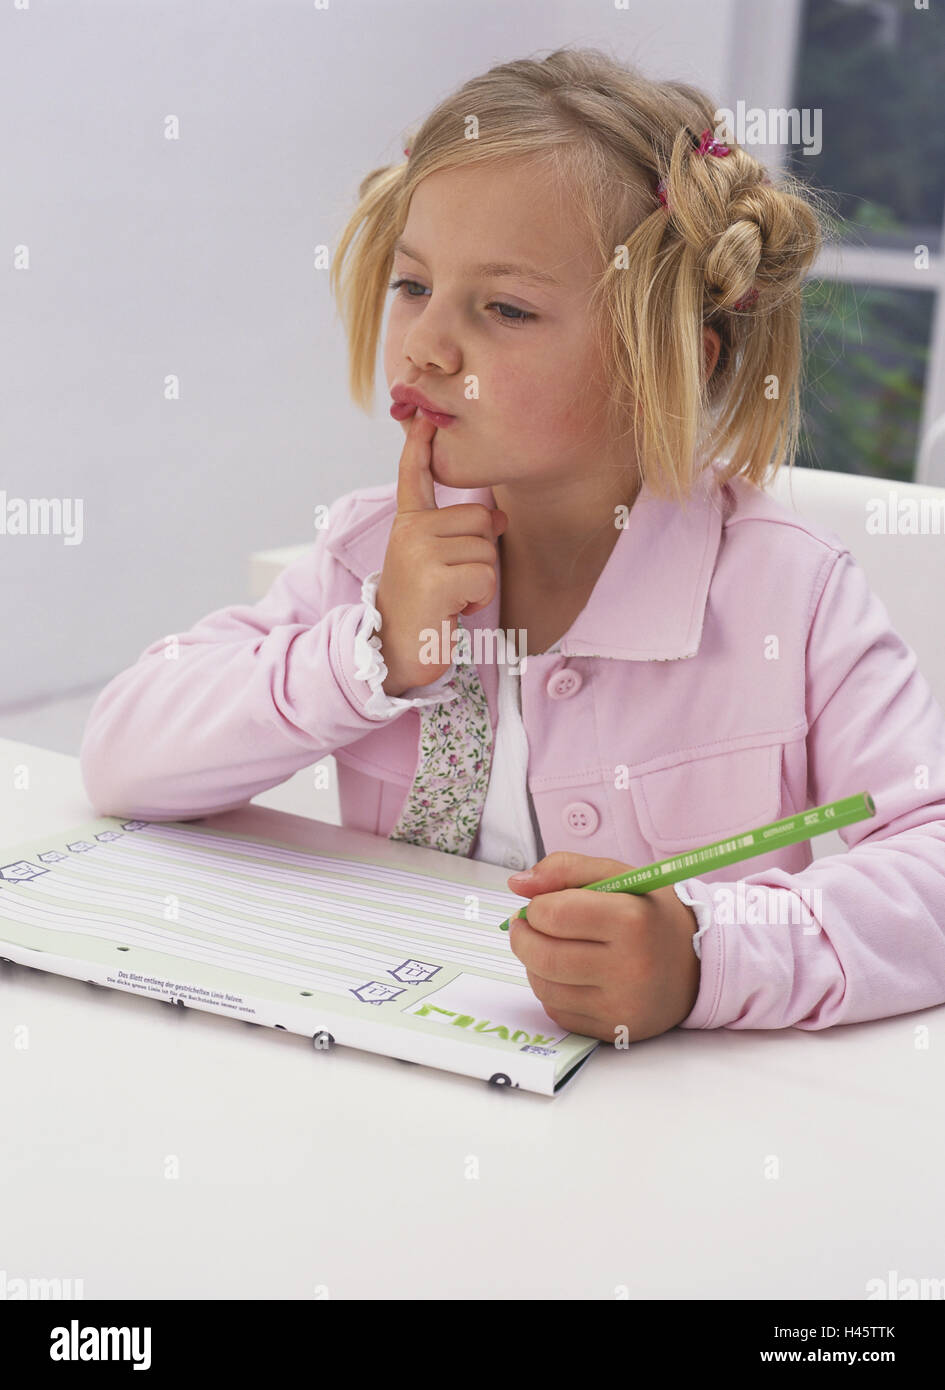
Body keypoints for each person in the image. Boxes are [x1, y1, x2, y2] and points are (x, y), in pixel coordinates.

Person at [80, 48, 945, 1044]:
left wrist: (708, 954)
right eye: (413, 284)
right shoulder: (373, 556)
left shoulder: (790, 592)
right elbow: (122, 756)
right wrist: (371, 649)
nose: (424, 346)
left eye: (506, 309)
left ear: (661, 359)